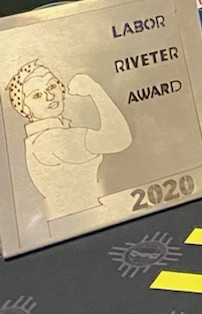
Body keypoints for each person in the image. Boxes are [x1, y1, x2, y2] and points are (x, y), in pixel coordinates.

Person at [7, 61, 131, 220]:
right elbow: (118, 139)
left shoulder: (51, 134)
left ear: (61, 88)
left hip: (87, 217)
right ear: (24, 108)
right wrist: (95, 90)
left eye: (51, 87)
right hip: (80, 220)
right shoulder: (49, 139)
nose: (49, 97)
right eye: (37, 95)